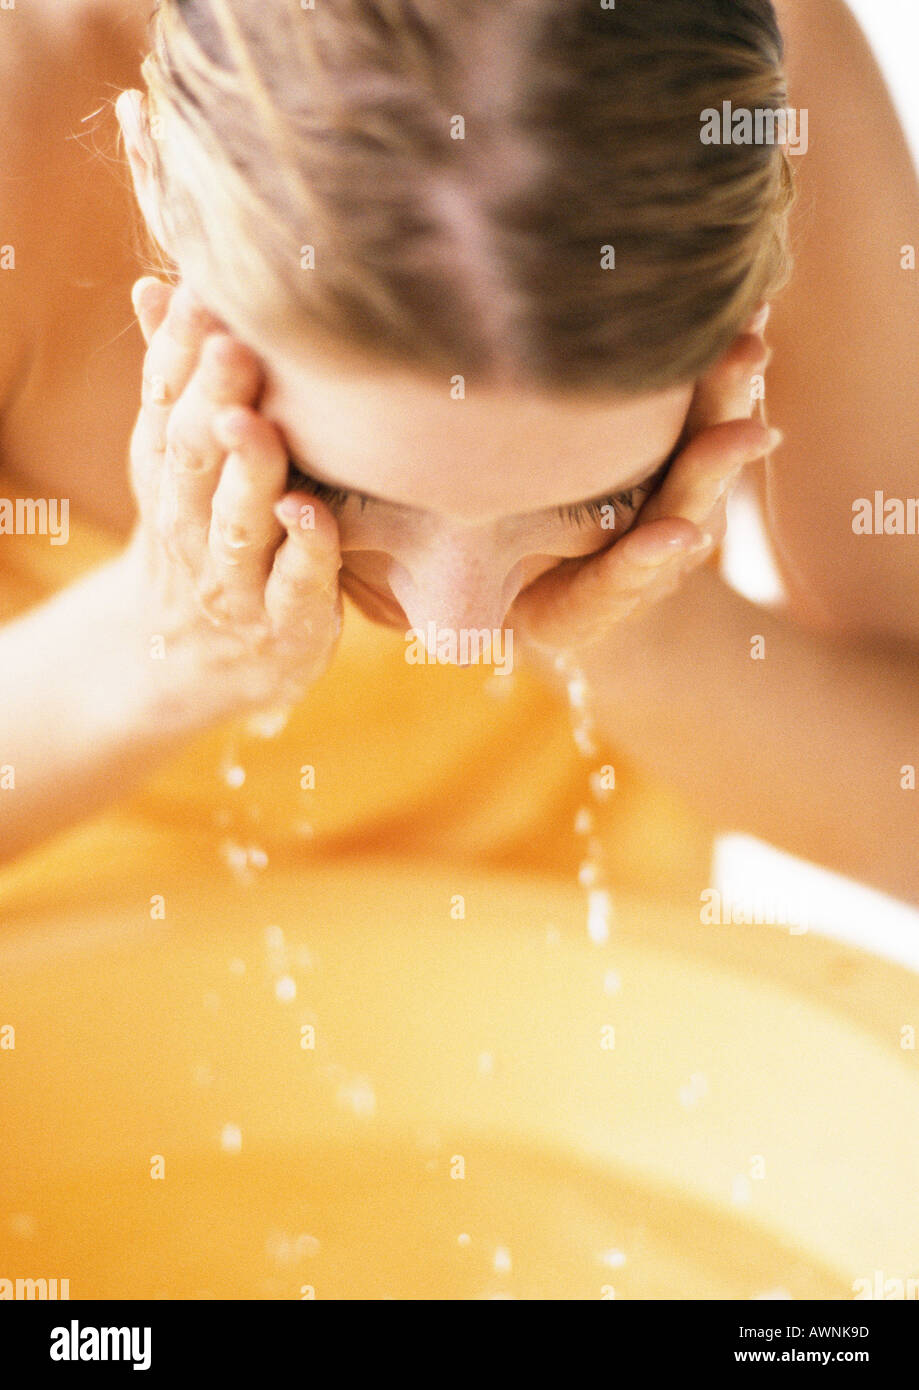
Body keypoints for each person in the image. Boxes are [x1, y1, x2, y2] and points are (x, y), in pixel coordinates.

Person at [0, 0, 917, 910]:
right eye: (324, 486)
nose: (456, 635)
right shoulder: (20, 100)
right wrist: (163, 646)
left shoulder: (761, 89)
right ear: (154, 174)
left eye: (602, 497)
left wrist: (644, 634)